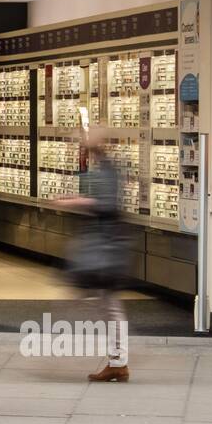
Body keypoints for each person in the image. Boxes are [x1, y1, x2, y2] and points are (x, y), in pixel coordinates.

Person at [59, 132, 130, 382]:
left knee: (109, 307)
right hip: (104, 247)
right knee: (107, 306)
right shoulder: (107, 167)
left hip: (106, 249)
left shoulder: (110, 171)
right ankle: (117, 361)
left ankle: (118, 362)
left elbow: (107, 206)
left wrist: (79, 201)